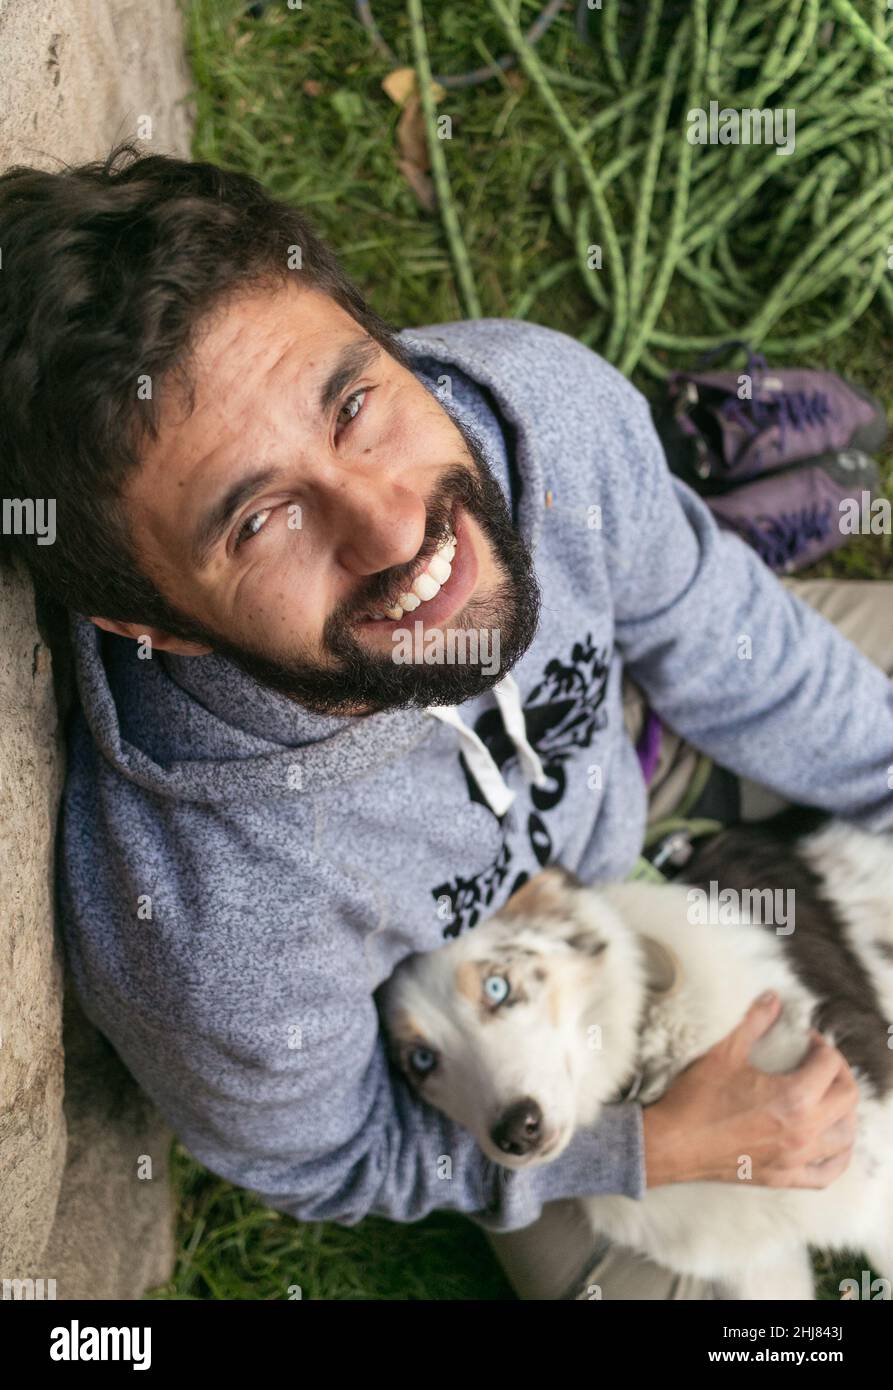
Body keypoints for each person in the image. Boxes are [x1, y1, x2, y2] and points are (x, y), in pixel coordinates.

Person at [2, 143, 891, 1300]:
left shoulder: (540, 412)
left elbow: (738, 650)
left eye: (354, 402)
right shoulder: (219, 931)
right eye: (261, 520)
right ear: (161, 628)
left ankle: (689, 492)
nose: (395, 527)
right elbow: (338, 1155)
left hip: (638, 756)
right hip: (539, 1096)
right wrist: (643, 1147)